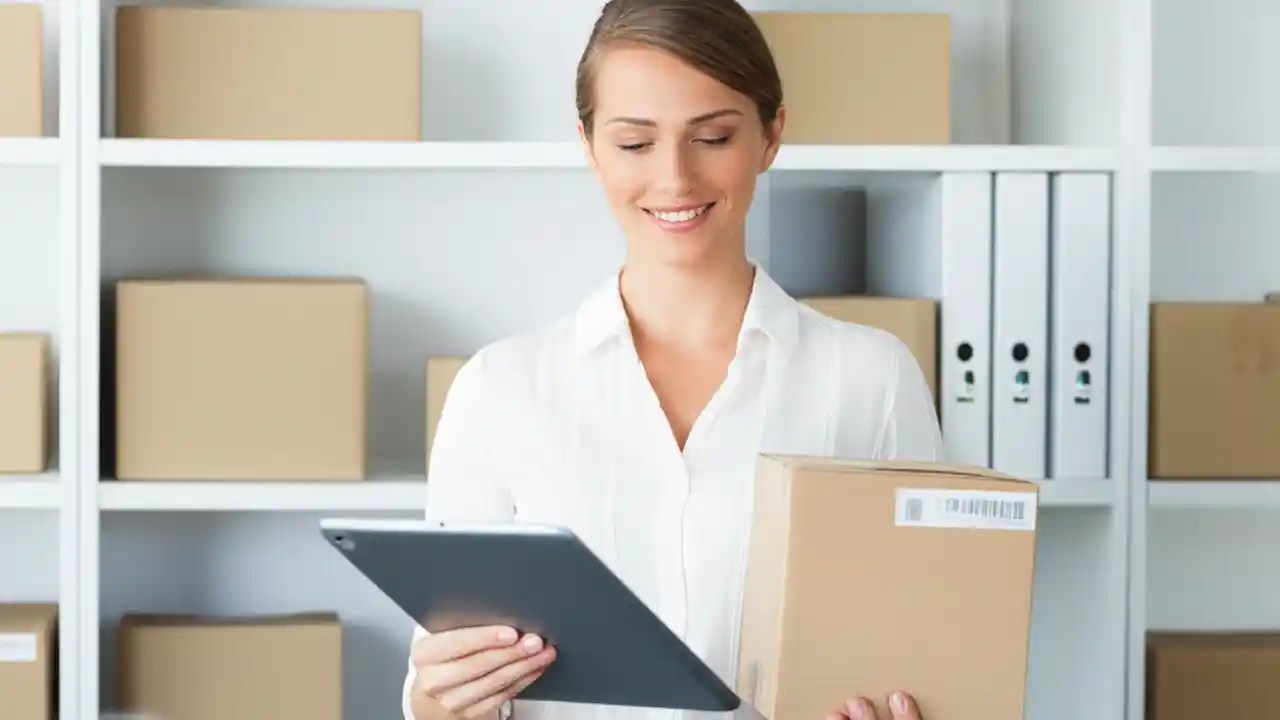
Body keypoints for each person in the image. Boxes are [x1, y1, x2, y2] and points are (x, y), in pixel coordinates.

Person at [402, 1, 944, 719]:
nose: (676, 179)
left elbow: (923, 648)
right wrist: (442, 700)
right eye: (634, 144)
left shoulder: (871, 379)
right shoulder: (500, 391)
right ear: (589, 145)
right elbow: (443, 684)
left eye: (713, 136)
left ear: (772, 135)